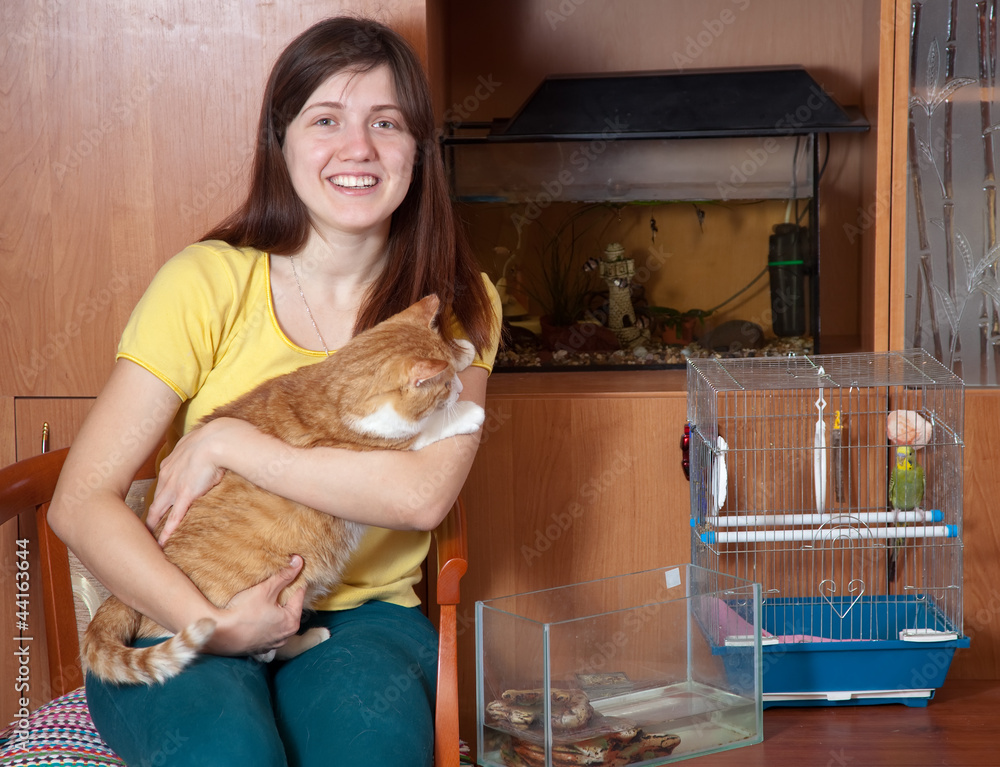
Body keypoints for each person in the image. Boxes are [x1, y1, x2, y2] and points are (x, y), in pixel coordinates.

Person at [48, 15, 500, 767]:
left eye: (386, 123)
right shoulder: (206, 280)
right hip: (185, 599)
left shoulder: (456, 305)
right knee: (225, 752)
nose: (358, 148)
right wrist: (212, 623)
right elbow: (79, 500)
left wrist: (230, 441)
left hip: (363, 617)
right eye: (326, 119)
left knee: (369, 750)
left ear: (419, 150)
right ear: (280, 138)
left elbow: (420, 497)